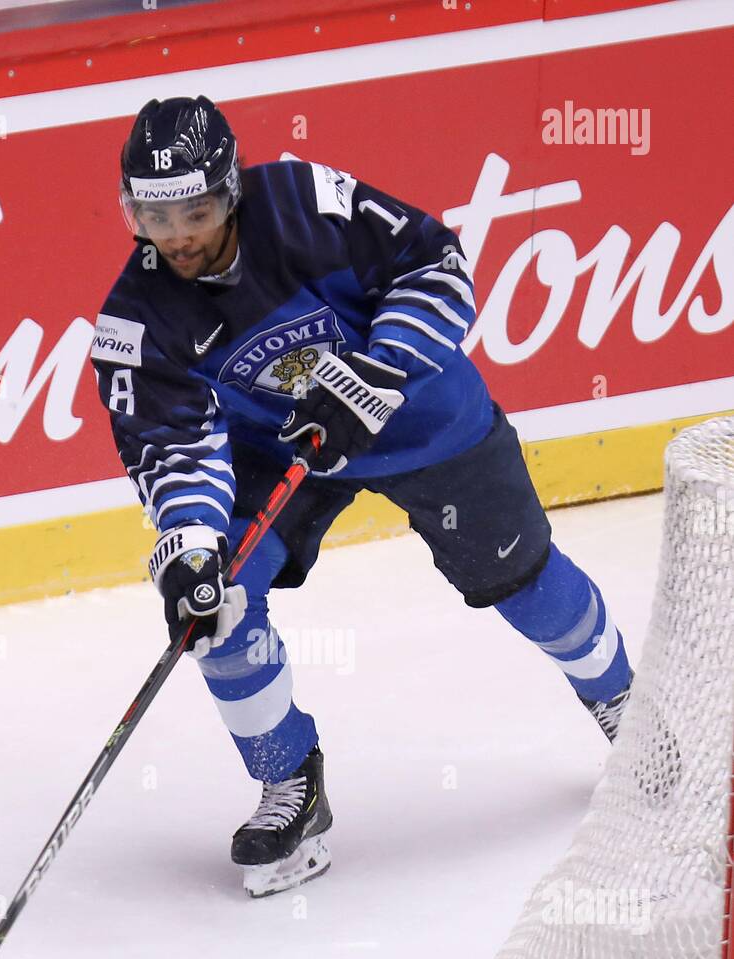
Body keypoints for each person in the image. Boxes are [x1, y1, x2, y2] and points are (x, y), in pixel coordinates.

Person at [91, 95, 633, 897]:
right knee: (218, 606)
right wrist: (192, 546)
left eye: (196, 211)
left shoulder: (305, 204)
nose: (176, 238)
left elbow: (434, 264)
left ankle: (628, 709)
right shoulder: (136, 323)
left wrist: (377, 373)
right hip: (283, 453)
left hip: (424, 420)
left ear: (231, 190)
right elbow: (174, 449)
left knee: (524, 584)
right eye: (153, 216)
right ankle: (291, 787)